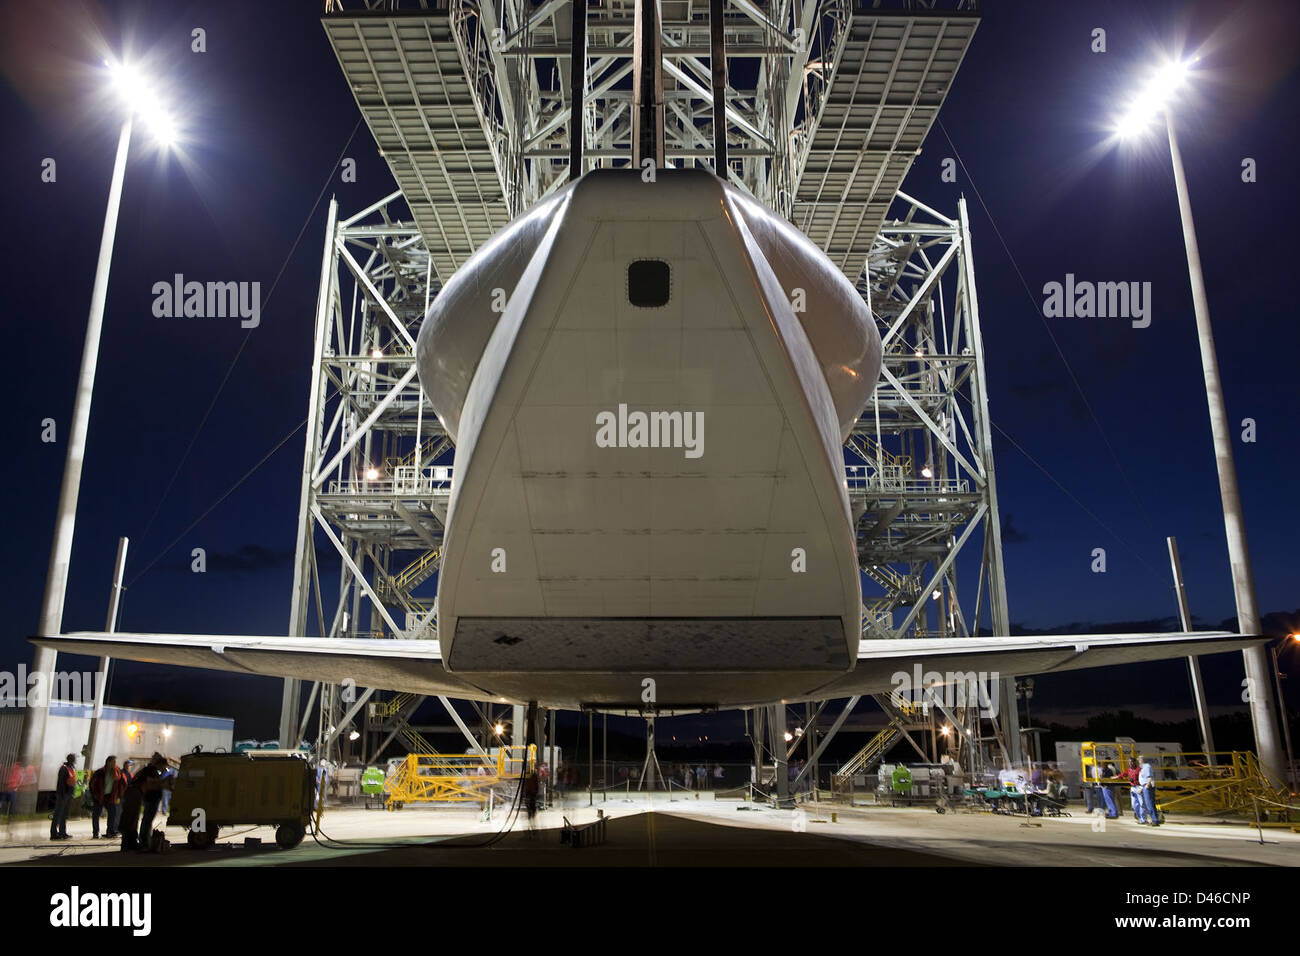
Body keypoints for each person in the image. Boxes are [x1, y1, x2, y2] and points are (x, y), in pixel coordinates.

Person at [120, 753, 170, 852]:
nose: (164, 768)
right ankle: (132, 843)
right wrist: (165, 781)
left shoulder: (150, 769)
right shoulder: (150, 770)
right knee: (132, 819)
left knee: (133, 819)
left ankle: (130, 842)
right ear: (159, 764)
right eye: (163, 766)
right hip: (135, 793)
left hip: (135, 793)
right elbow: (151, 783)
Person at [89, 755, 127, 839]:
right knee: (96, 814)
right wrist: (94, 795)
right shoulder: (100, 772)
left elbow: (122, 784)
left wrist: (120, 795)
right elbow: (92, 784)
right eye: (113, 762)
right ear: (108, 762)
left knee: (112, 814)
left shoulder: (117, 772)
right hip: (99, 796)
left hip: (110, 796)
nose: (114, 764)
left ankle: (110, 831)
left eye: (115, 762)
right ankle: (95, 832)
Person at [50, 753, 77, 841]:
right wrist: (62, 794)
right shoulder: (64, 768)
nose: (75, 760)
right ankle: (53, 833)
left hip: (69, 794)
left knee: (64, 814)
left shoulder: (72, 768)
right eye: (73, 758)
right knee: (58, 813)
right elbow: (61, 782)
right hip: (63, 794)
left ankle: (62, 832)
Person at [1121, 759, 1145, 823]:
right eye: (1129, 762)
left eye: (1132, 762)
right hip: (1133, 788)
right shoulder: (1129, 770)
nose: (1130, 763)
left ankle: (1143, 819)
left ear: (1135, 762)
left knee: (1142, 803)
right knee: (1134, 804)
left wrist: (1142, 787)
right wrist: (1117, 776)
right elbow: (1124, 774)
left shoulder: (1139, 769)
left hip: (1139, 787)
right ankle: (1140, 818)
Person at [1138, 757, 1160, 826]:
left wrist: (1147, 785)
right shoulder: (1143, 768)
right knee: (1150, 804)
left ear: (1142, 760)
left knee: (1149, 804)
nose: (1138, 762)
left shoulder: (1146, 766)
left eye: (1139, 760)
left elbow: (1149, 777)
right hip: (1145, 786)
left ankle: (1154, 820)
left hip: (1147, 787)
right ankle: (1155, 819)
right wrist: (1142, 787)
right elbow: (1143, 778)